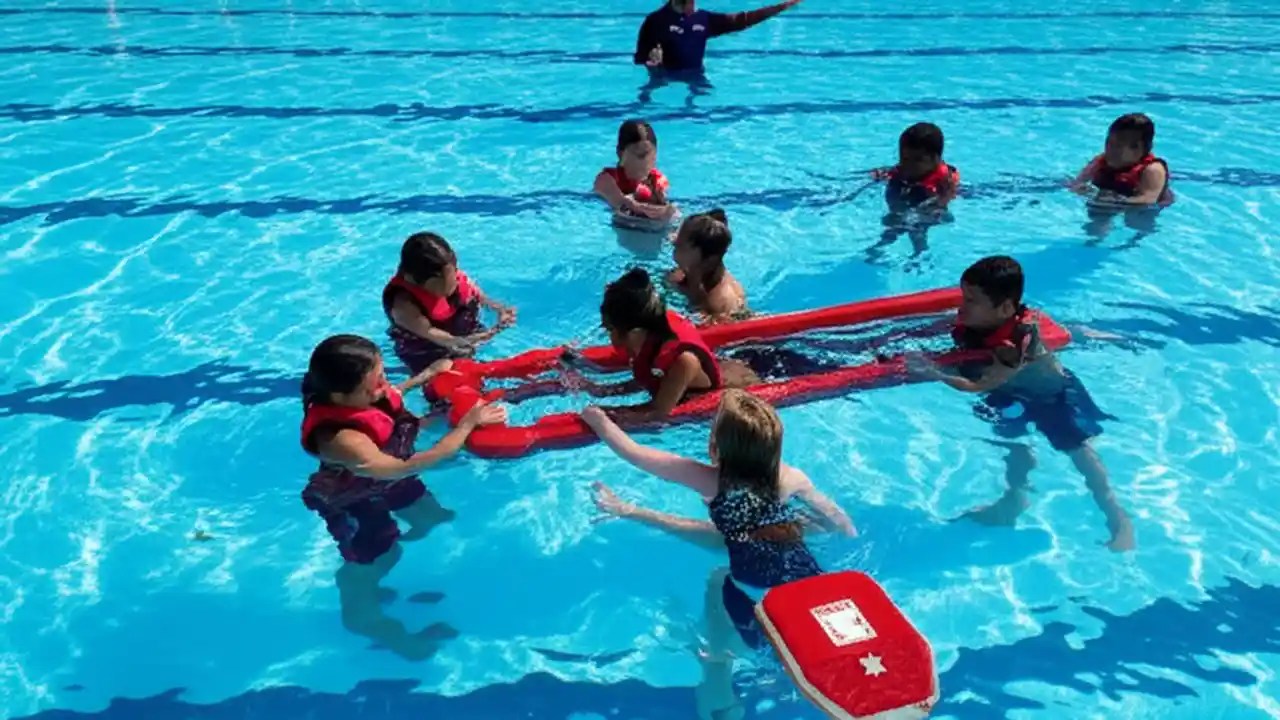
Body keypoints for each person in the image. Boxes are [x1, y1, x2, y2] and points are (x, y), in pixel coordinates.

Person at [583, 391, 854, 720]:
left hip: (749, 583)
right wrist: (796, 526)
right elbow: (838, 522)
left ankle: (720, 686)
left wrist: (597, 419)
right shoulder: (791, 476)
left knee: (718, 592)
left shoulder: (709, 479)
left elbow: (635, 453)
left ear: (716, 447)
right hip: (805, 573)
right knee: (795, 638)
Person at [905, 256, 1135, 552]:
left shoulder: (1015, 343)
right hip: (1008, 393)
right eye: (964, 297)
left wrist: (932, 372)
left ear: (1005, 308)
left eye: (971, 300)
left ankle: (1117, 517)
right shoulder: (982, 320)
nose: (962, 306)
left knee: (1076, 449)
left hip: (1050, 395)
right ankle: (1013, 501)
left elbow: (979, 385)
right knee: (1012, 443)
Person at [299, 334, 507, 659]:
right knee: (382, 555)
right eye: (375, 385)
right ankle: (362, 611)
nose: (384, 386)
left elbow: (392, 397)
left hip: (385, 475)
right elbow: (407, 466)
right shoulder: (342, 439)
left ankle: (381, 567)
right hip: (353, 496)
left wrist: (428, 374)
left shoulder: (359, 396)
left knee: (433, 517)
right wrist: (467, 425)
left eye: (382, 376)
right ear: (340, 396)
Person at [563, 267, 759, 425]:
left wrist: (599, 415)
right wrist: (600, 390)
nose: (607, 335)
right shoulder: (651, 328)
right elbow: (651, 378)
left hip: (742, 388)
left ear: (635, 334)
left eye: (609, 329)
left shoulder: (683, 361)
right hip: (715, 371)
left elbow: (657, 414)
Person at [382, 232, 516, 376]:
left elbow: (477, 296)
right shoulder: (403, 304)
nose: (455, 281)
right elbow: (430, 333)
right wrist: (463, 341)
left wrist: (499, 309)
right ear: (415, 280)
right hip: (425, 345)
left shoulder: (447, 270)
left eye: (454, 272)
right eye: (444, 281)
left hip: (460, 330)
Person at [867, 122, 959, 260]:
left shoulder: (944, 182)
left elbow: (943, 203)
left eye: (918, 160)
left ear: (936, 159)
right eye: (904, 159)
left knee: (917, 227)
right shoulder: (901, 172)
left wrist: (942, 199)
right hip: (908, 196)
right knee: (896, 223)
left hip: (929, 207)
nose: (908, 165)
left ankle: (920, 254)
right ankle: (880, 246)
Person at [634, 0, 805, 73]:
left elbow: (743, 20)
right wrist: (652, 64)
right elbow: (640, 58)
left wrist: (779, 8)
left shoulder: (705, 19)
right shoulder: (655, 21)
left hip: (696, 77)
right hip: (663, 79)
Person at [1069, 113, 1173, 207]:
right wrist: (1085, 191)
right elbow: (1078, 182)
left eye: (1117, 146)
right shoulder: (1101, 160)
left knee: (1135, 221)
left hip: (1142, 209)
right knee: (1096, 212)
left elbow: (1148, 199)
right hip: (1111, 198)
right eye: (1109, 143)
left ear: (1138, 149)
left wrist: (1116, 201)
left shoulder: (1153, 170)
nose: (1109, 150)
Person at [667, 209, 747, 322]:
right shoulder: (685, 272)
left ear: (708, 259)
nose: (674, 241)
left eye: (681, 244)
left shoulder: (722, 303)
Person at [593, 119, 677, 225]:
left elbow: (668, 209)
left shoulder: (657, 180)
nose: (646, 163)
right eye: (640, 156)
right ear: (620, 153)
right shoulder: (605, 179)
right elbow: (620, 203)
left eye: (651, 156)